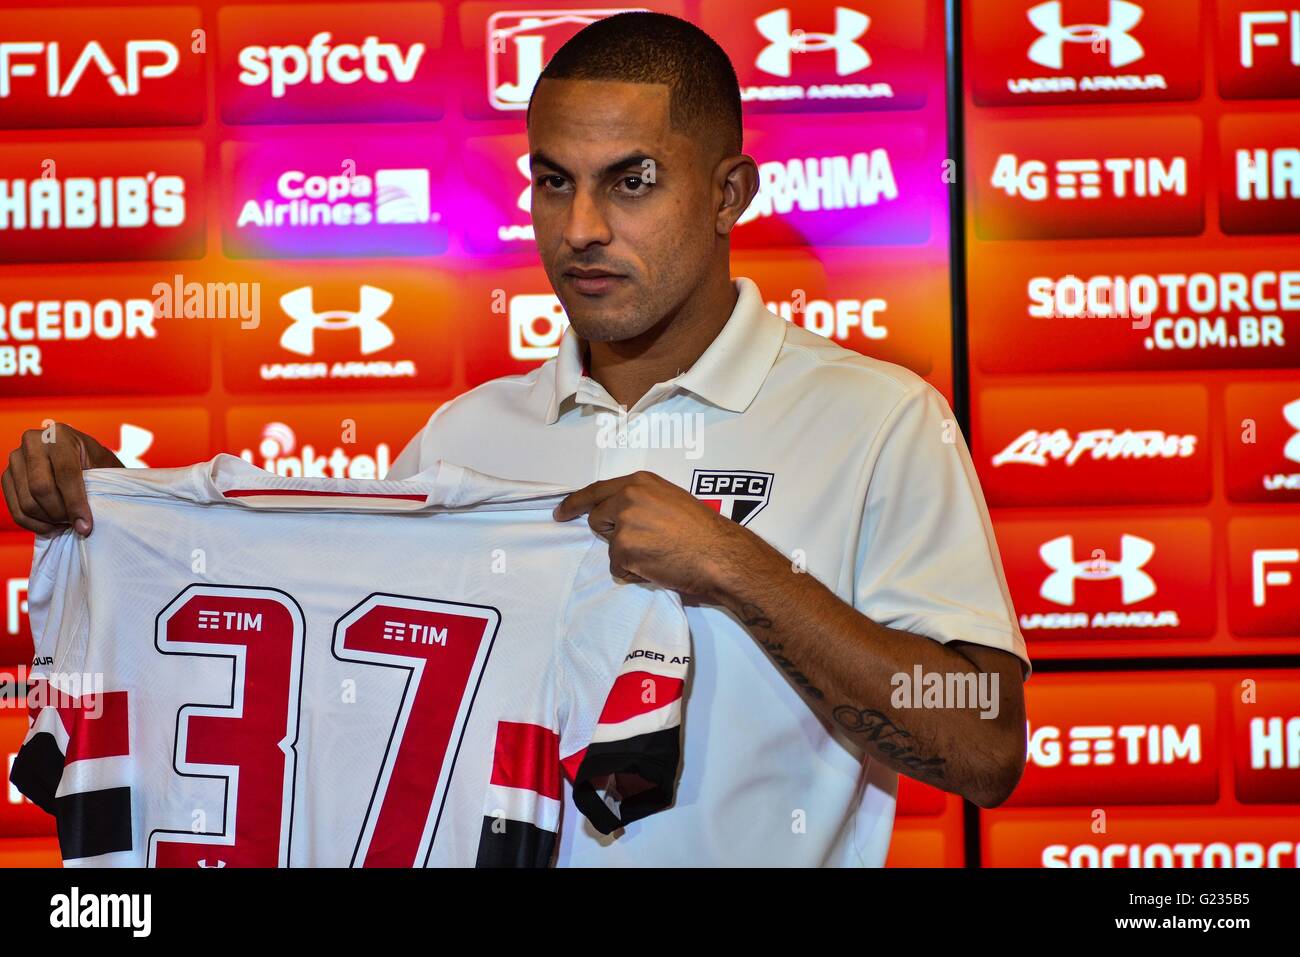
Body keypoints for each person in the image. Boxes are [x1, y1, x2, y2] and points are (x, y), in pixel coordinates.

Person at [3, 12, 1029, 867]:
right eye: (551, 181)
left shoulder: (880, 419)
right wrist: (133, 520)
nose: (580, 225)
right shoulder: (468, 436)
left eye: (631, 181)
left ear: (728, 195)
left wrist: (732, 563)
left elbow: (982, 748)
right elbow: (328, 694)